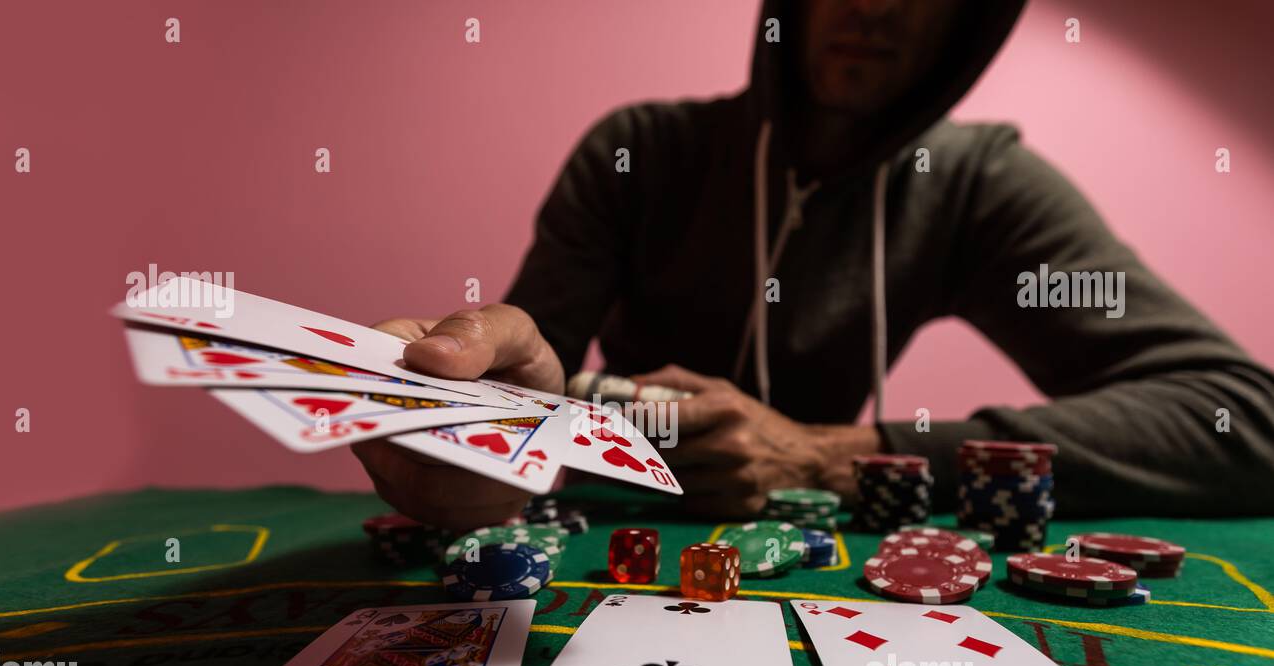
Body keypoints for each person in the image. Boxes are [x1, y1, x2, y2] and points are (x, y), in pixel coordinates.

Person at [353, 0, 1274, 529]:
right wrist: (472, 428)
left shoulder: (976, 182)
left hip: (828, 551)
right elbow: (522, 397)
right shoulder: (636, 151)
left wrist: (841, 456)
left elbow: (1242, 417)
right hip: (610, 539)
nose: (872, 3)